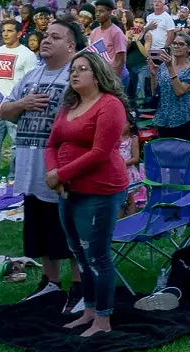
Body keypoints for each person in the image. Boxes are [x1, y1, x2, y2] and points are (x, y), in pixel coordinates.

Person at [46, 50, 130, 337]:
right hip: (68, 191)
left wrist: (60, 174)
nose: (75, 74)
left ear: (97, 75)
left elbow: (100, 152)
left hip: (100, 191)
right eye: (73, 70)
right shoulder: (68, 105)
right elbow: (52, 144)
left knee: (98, 257)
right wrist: (54, 175)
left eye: (82, 69)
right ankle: (90, 310)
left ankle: (104, 319)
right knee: (80, 255)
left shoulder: (110, 105)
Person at [0, 18, 82, 304]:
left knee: (69, 228)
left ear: (71, 46)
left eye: (55, 37)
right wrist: (23, 104)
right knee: (40, 226)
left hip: (62, 166)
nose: (46, 40)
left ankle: (80, 286)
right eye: (45, 36)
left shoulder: (77, 74)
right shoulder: (31, 76)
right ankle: (51, 281)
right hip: (30, 164)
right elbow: (4, 111)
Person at [0, 19, 37, 186]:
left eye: (10, 31)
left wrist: (21, 105)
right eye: (4, 30)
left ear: (19, 34)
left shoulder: (27, 55)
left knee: (16, 143)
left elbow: (31, 83)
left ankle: (14, 176)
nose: (5, 34)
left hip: (16, 105)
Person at [149, 29, 190, 141]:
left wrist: (171, 69)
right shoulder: (163, 66)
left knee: (183, 153)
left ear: (189, 48)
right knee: (164, 153)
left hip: (182, 118)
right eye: (174, 43)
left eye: (181, 44)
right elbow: (155, 92)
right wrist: (153, 75)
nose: (176, 46)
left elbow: (179, 91)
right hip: (163, 116)